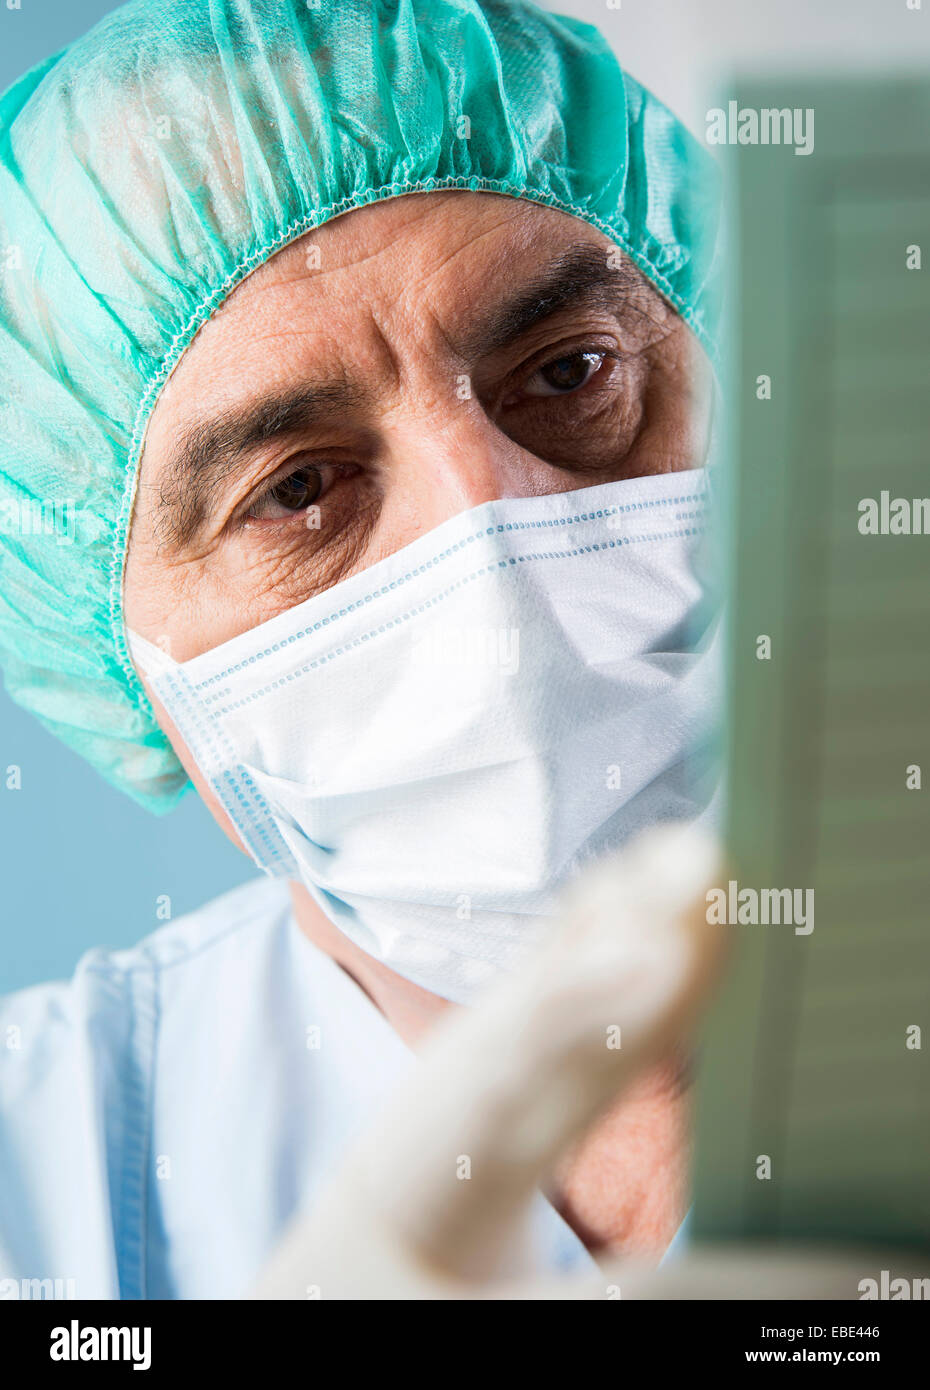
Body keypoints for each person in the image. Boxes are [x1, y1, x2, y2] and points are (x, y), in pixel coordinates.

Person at [0, 0, 722, 1298]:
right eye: (295, 489)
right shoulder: (39, 1183)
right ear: (129, 675)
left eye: (569, 374)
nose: (492, 526)